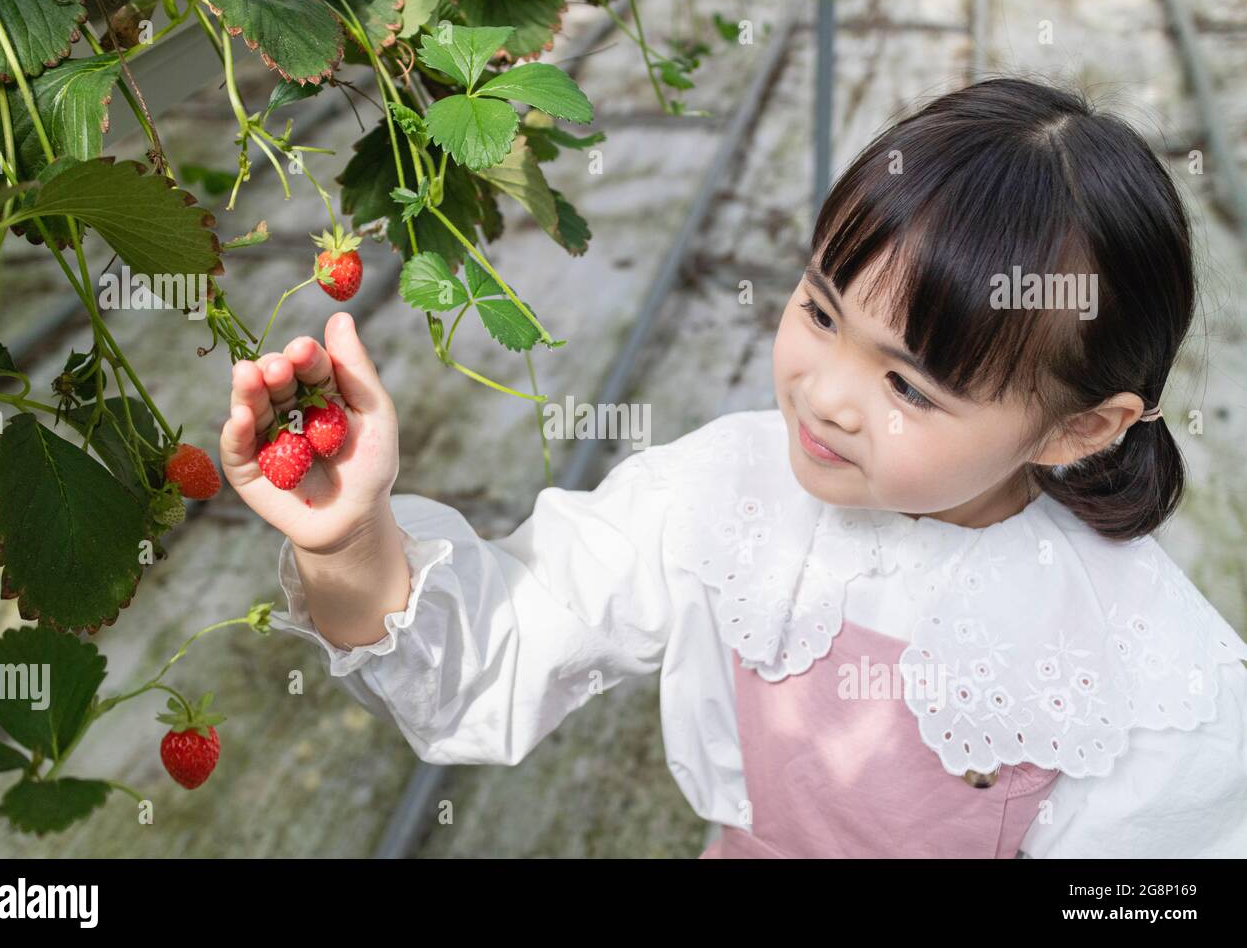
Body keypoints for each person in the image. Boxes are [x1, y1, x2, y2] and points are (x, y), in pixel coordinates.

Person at [220, 78, 1247, 857]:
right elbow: (503, 649)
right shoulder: (726, 496)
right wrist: (352, 538)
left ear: (1077, 428)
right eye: (820, 312)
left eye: (910, 387)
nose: (825, 392)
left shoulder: (1152, 677)